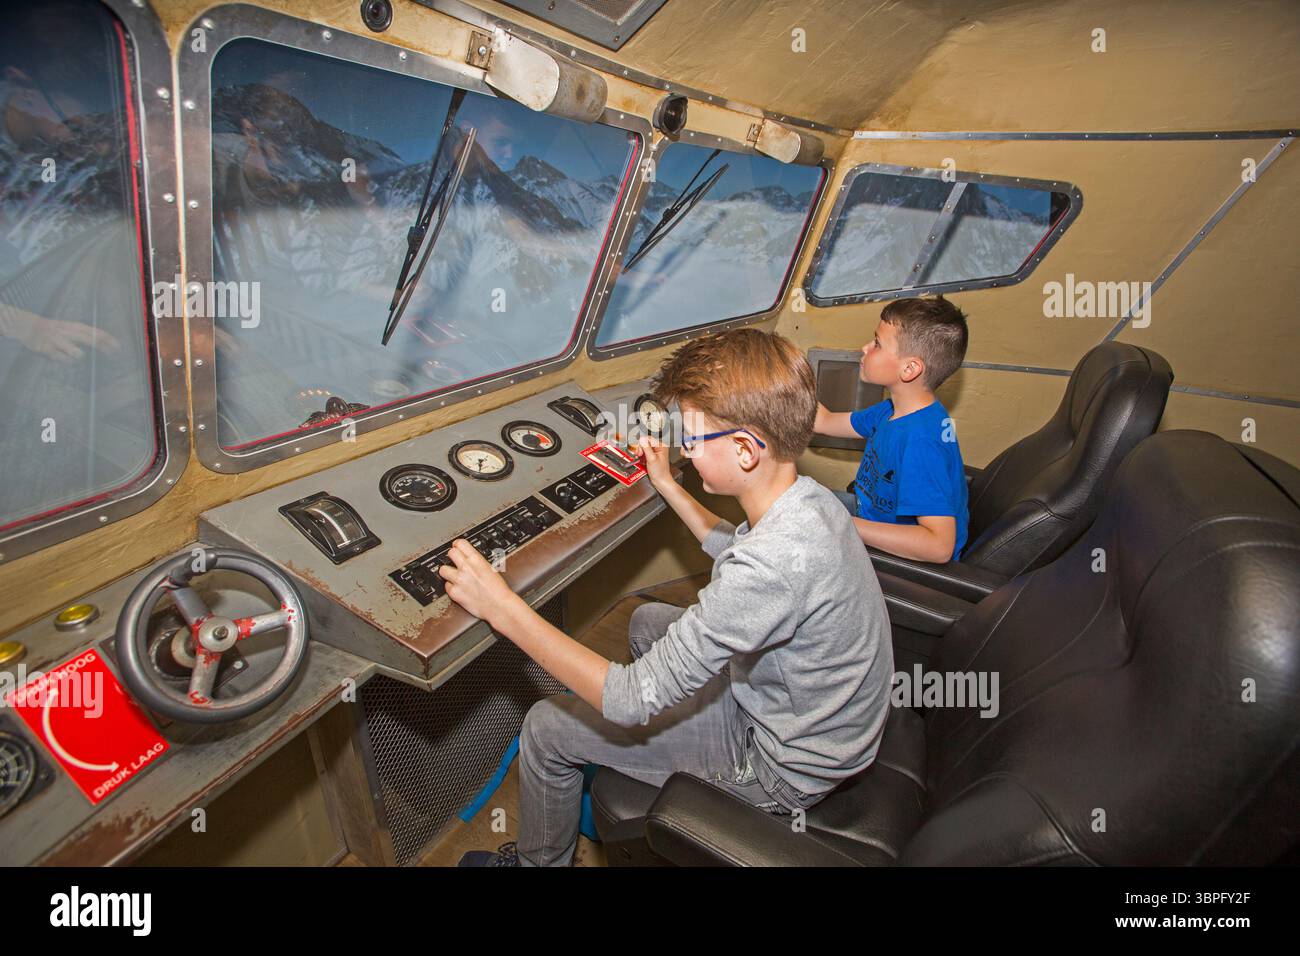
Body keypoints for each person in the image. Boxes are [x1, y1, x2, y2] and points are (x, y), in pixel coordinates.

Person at [441, 328, 894, 866]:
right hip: (814, 719)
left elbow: (630, 699)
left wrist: (502, 607)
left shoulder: (772, 565)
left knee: (545, 726)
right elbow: (733, 547)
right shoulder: (809, 502)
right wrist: (669, 484)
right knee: (648, 622)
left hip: (780, 767)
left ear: (746, 450)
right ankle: (646, 753)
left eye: (694, 442)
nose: (686, 452)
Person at [814, 296, 970, 563]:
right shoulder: (890, 410)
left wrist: (844, 526)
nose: (865, 348)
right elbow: (825, 421)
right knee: (801, 498)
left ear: (909, 369)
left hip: (897, 558)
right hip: (868, 518)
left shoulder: (922, 441)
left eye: (876, 343)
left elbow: (939, 546)